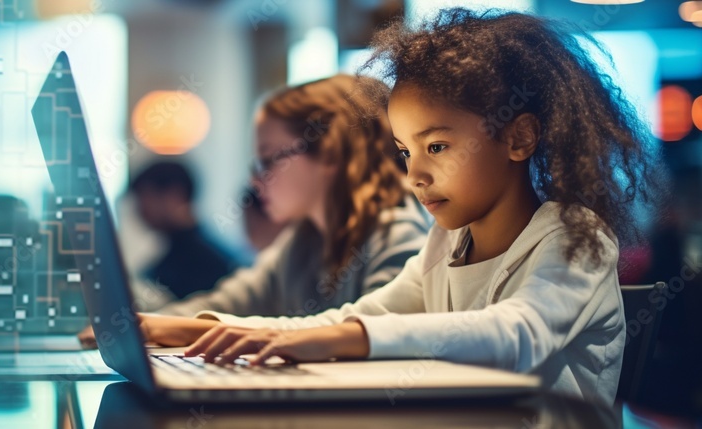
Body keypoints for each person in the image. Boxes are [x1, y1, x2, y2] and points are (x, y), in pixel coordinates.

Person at [137, 9, 661, 405]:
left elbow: (517, 333)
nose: (414, 175)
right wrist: (188, 331)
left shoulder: (574, 235)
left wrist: (336, 338)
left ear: (518, 137)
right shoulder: (446, 242)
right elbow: (361, 317)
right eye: (406, 152)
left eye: (437, 146)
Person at [79, 74, 431, 347]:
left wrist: (177, 328)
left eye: (267, 159)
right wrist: (148, 325)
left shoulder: (396, 234)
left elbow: (371, 335)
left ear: (329, 153)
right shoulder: (303, 240)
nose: (255, 178)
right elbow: (231, 301)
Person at [129, 160, 239, 300]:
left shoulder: (208, 262)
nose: (139, 209)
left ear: (175, 196)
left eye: (144, 197)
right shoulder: (172, 259)